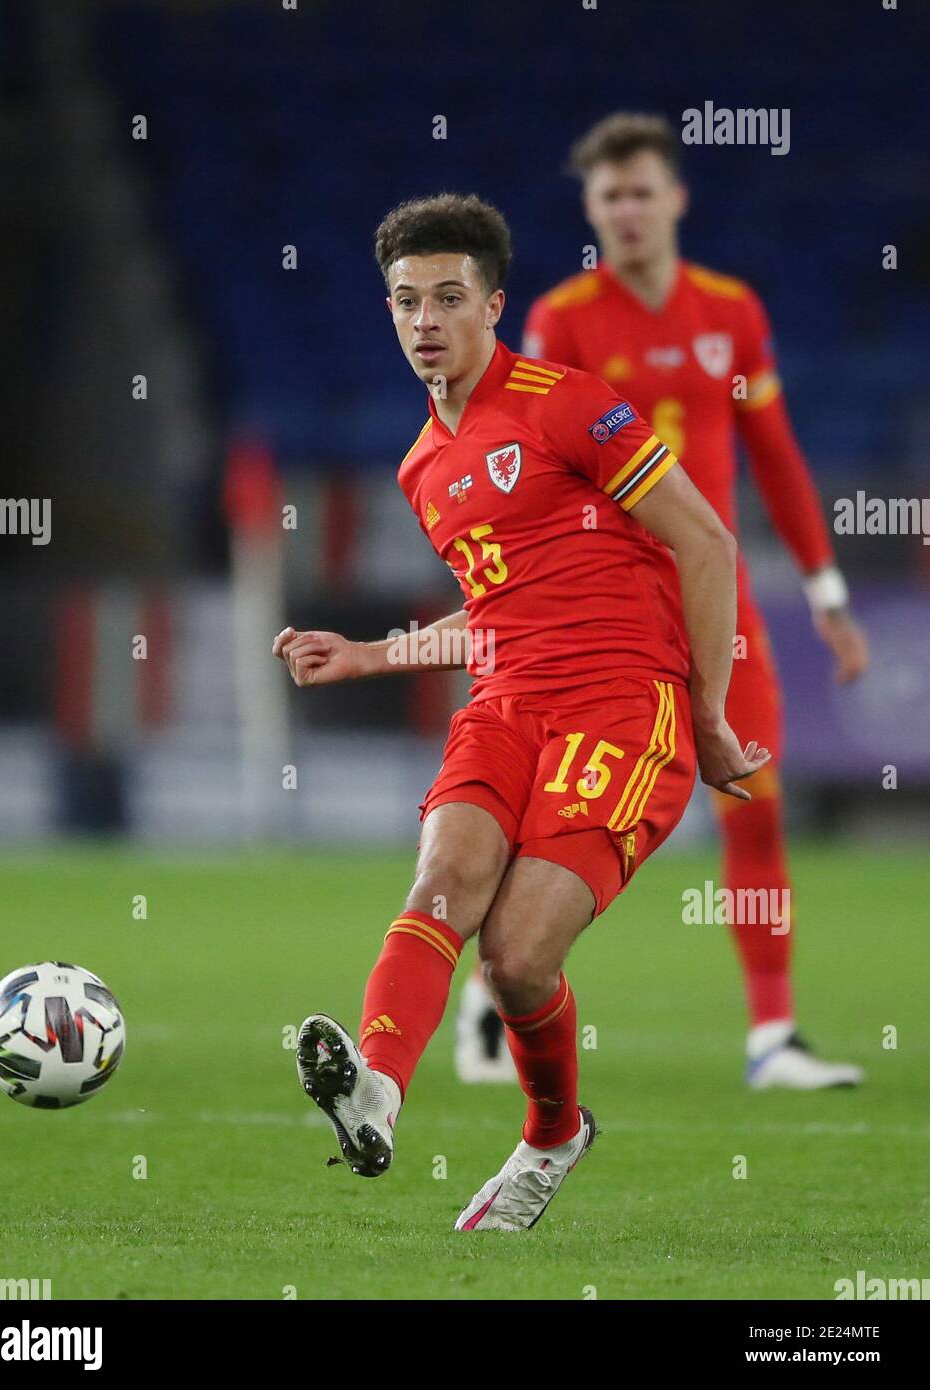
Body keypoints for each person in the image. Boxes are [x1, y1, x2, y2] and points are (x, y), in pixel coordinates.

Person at [274, 192, 769, 1231]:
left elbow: (707, 542)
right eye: (405, 301)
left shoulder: (568, 404)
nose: (424, 322)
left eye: (447, 298)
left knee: (516, 955)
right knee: (443, 876)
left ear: (493, 305)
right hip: (506, 703)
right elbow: (497, 610)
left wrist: (709, 713)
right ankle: (376, 1088)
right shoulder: (422, 466)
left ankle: (552, 1132)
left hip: (622, 711)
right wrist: (371, 654)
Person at [455, 113, 868, 1090]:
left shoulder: (731, 312)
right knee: (548, 816)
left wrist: (827, 591)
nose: (627, 211)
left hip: (717, 605)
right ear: (592, 211)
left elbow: (775, 457)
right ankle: (491, 993)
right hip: (606, 616)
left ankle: (771, 1038)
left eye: (642, 191)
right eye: (609, 197)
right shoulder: (562, 320)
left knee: (752, 809)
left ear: (675, 198)